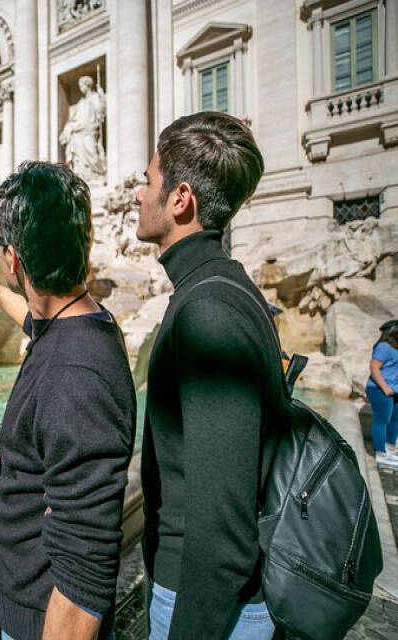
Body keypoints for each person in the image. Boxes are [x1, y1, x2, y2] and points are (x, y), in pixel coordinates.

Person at [0, 161, 136, 640]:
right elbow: (32, 319)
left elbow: (82, 581)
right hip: (28, 599)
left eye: (0, 249)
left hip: (40, 616)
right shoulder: (79, 323)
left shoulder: (74, 375)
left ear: (13, 259)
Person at [135, 111, 282, 639]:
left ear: (180, 199)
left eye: (147, 181)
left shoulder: (209, 312)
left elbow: (222, 529)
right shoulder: (218, 289)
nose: (136, 193)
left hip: (206, 608)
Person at [367, 320, 398, 468]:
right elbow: (374, 367)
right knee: (382, 420)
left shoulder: (395, 348)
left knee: (394, 419)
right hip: (379, 389)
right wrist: (385, 387)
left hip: (393, 390)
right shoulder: (383, 347)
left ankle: (390, 449)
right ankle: (380, 454)